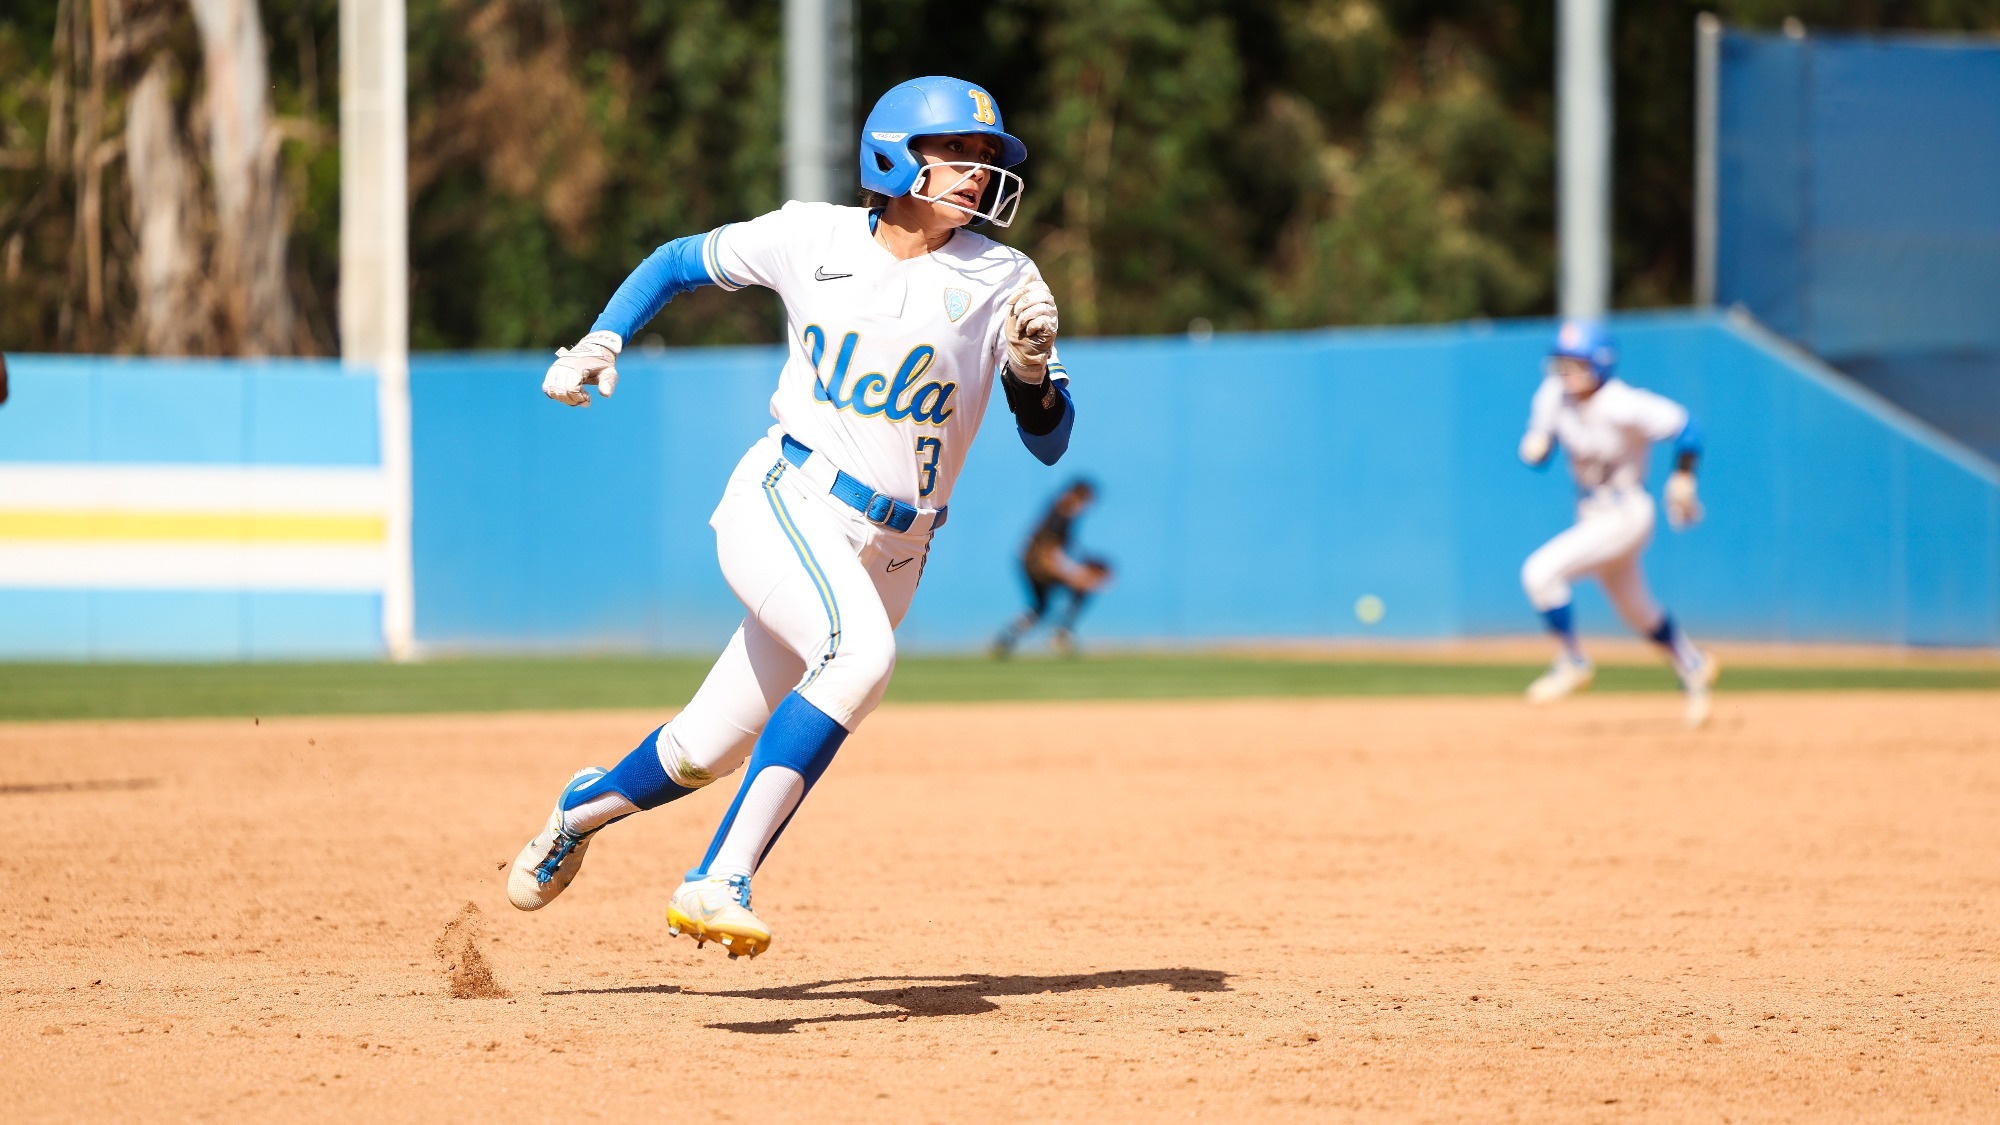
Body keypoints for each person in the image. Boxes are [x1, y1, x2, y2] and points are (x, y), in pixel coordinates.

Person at [505, 76, 1075, 958]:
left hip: (899, 549)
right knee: (860, 658)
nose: (977, 170)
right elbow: (675, 262)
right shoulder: (809, 233)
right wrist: (601, 338)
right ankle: (717, 878)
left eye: (987, 157)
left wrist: (1033, 373)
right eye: (956, 151)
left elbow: (1047, 441)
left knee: (703, 750)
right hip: (789, 498)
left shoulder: (1006, 276)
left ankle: (577, 810)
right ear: (893, 155)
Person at [1517, 320, 1719, 728]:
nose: (1568, 372)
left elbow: (1686, 426)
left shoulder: (1622, 402)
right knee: (1639, 614)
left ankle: (1572, 661)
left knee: (1540, 573)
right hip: (1593, 516)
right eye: (1563, 362)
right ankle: (1692, 663)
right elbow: (1542, 444)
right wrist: (1539, 448)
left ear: (1601, 363)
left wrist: (1683, 475)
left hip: (1626, 513)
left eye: (1578, 363)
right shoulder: (1553, 395)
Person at [992, 479, 1112, 656]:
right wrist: (1076, 574)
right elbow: (1050, 552)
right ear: (1079, 496)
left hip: (1032, 562)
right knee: (1080, 587)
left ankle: (1008, 637)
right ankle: (1061, 635)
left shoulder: (1061, 512)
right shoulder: (1063, 511)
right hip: (1038, 565)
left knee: (1040, 607)